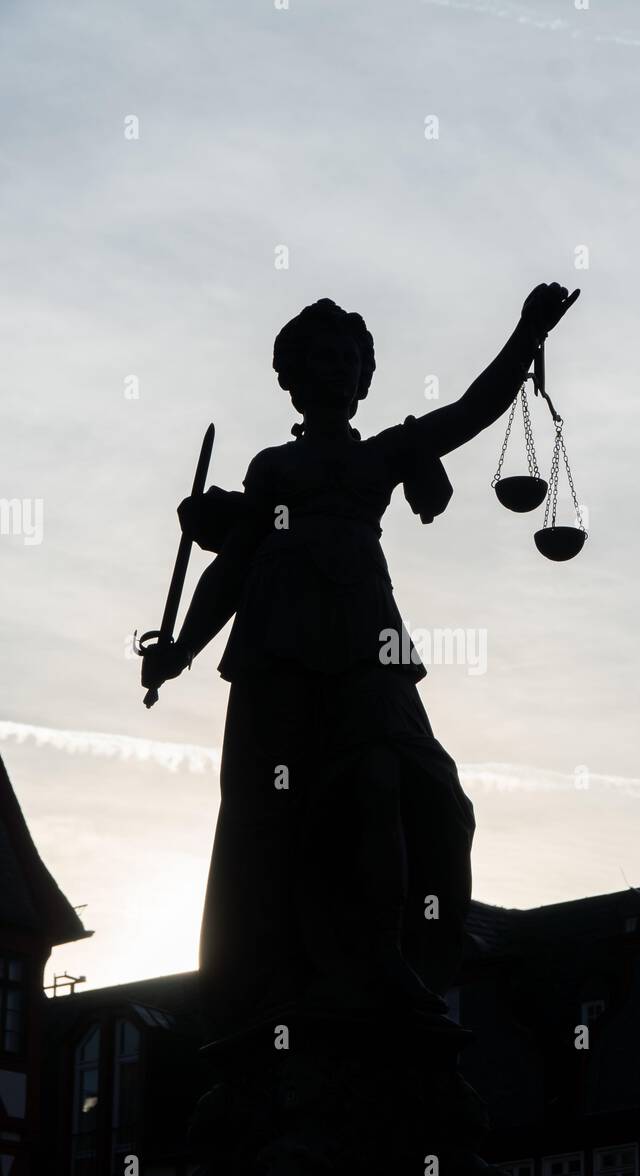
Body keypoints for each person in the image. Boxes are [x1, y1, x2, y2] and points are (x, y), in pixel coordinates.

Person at [141, 283, 579, 1037]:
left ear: (364, 376)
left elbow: (473, 410)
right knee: (273, 810)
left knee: (427, 794)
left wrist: (527, 333)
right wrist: (180, 648)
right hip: (278, 649)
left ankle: (388, 959)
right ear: (294, 377)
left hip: (368, 645)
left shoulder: (386, 455)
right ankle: (294, 977)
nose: (338, 370)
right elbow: (233, 569)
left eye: (350, 359)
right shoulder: (272, 471)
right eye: (322, 358)